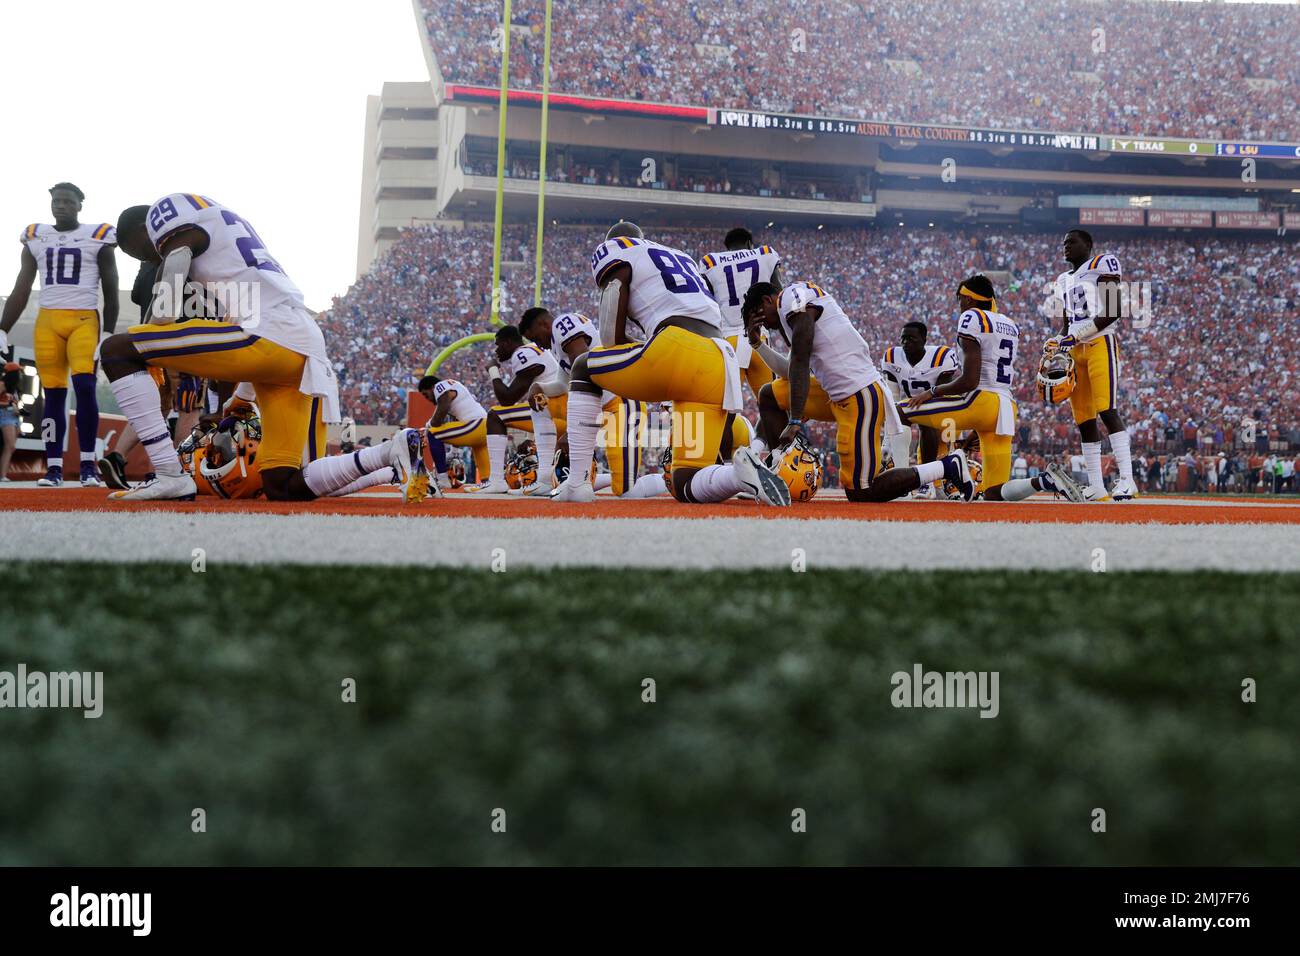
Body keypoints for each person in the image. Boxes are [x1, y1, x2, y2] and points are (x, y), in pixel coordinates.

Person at [101, 195, 423, 501]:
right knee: (281, 483)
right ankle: (388, 453)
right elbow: (252, 329)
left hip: (268, 337)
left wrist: (153, 334)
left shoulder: (171, 214)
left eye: (138, 252)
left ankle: (169, 473)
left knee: (116, 349)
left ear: (145, 228)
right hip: (300, 350)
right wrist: (242, 396)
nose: (146, 259)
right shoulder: (223, 232)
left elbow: (174, 268)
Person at [553, 220, 787, 506]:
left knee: (582, 367)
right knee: (686, 480)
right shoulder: (680, 257)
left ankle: (577, 484)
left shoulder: (619, 250)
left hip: (676, 347)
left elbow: (610, 338)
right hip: (718, 358)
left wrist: (645, 349)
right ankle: (737, 476)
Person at [0, 183, 119, 486]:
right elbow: (22, 286)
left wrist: (108, 331)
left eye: (67, 201)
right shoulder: (36, 236)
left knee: (85, 387)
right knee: (52, 395)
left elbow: (111, 288)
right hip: (48, 321)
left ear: (80, 205)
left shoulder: (98, 235)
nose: (61, 206)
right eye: (56, 201)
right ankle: (53, 468)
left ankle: (88, 465)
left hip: (84, 320)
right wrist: (2, 328)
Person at [1052, 229, 1137, 501]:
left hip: (1100, 342)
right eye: (1064, 243)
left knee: (1107, 410)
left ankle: (1127, 479)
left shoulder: (1102, 263)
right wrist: (1057, 340)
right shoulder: (1063, 279)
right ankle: (1096, 485)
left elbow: (1112, 310)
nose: (1066, 246)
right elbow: (1068, 324)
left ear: (1088, 244)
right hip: (1075, 351)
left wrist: (1076, 335)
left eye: (1072, 242)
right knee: (1084, 419)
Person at [696, 228, 782, 398]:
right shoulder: (765, 254)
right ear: (749, 244)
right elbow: (780, 295)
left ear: (727, 248)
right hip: (759, 340)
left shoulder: (711, 262)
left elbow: (706, 302)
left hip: (729, 341)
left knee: (725, 407)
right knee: (771, 403)